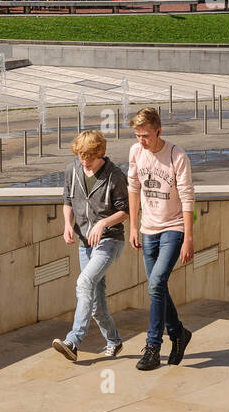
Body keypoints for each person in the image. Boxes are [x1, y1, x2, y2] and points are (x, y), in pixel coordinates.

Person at [127, 107, 195, 371]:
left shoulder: (177, 155)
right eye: (137, 135)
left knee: (155, 283)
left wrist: (188, 237)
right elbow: (133, 189)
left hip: (173, 228)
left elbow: (188, 197)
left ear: (158, 131)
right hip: (148, 228)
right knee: (158, 287)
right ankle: (178, 332)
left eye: (145, 135)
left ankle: (153, 347)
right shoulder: (135, 152)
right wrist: (133, 226)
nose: (141, 141)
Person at [53, 131, 129, 362]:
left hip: (110, 240)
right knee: (95, 303)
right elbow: (67, 200)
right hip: (84, 241)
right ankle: (114, 341)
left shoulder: (115, 176)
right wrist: (67, 224)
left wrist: (103, 223)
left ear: (100, 154)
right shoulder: (72, 170)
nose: (84, 161)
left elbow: (125, 211)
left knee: (84, 282)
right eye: (80, 156)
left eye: (88, 157)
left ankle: (73, 341)